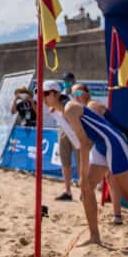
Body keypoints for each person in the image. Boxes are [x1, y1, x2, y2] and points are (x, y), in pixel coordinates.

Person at [41, 81, 128, 257]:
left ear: (55, 94)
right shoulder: (63, 111)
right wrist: (84, 178)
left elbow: (84, 144)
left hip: (114, 144)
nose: (43, 99)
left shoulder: (70, 108)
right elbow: (85, 143)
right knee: (86, 190)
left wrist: (83, 175)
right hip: (102, 146)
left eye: (45, 95)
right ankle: (95, 236)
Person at [71, 83, 123, 225]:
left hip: (111, 144)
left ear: (87, 93)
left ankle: (109, 215)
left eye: (78, 93)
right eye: (73, 94)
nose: (76, 97)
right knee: (107, 181)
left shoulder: (92, 105)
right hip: (108, 144)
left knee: (97, 183)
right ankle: (115, 215)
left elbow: (98, 130)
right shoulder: (85, 108)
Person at [55, 73, 77, 201]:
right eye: (65, 80)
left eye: (68, 80)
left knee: (81, 162)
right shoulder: (60, 95)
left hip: (76, 128)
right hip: (63, 129)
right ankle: (67, 191)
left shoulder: (77, 93)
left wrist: (74, 93)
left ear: (73, 81)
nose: (66, 82)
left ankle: (84, 190)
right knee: (65, 162)